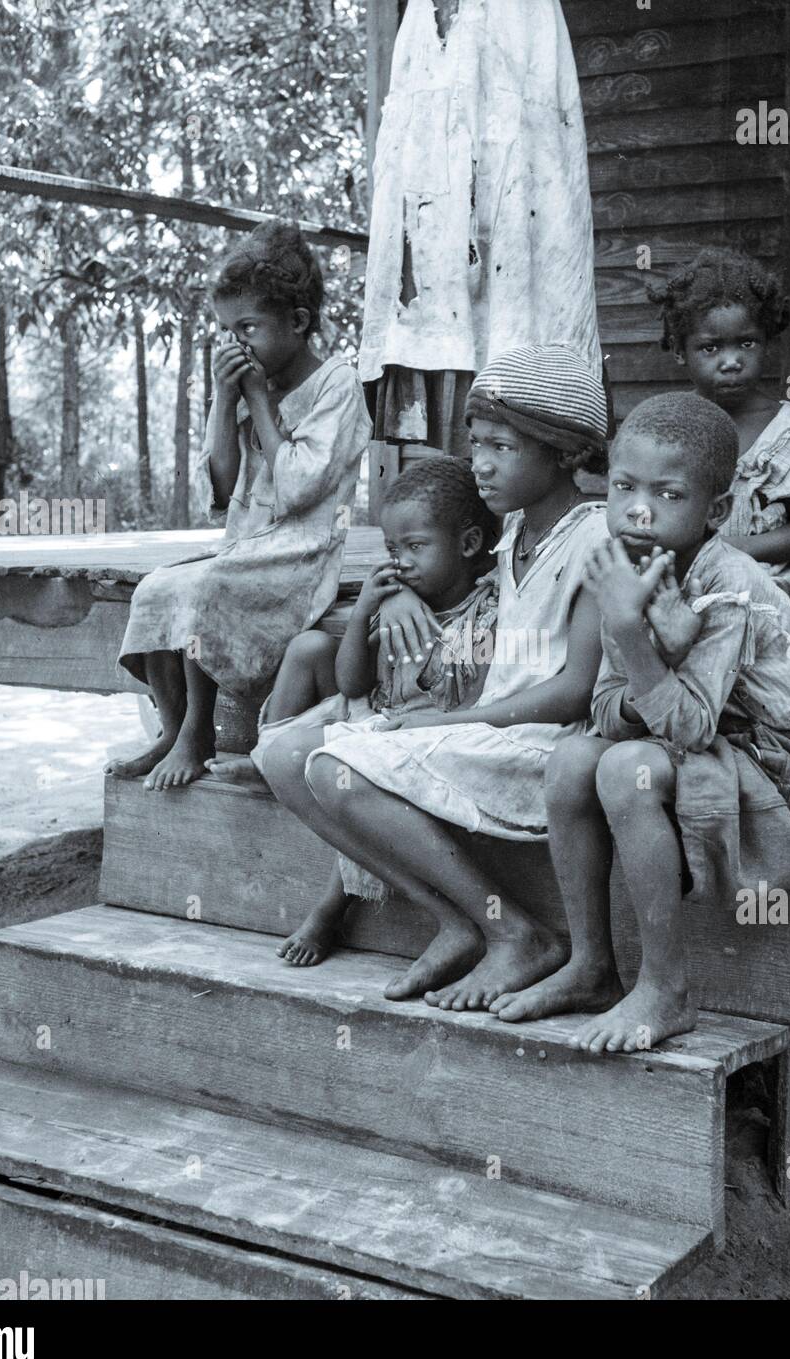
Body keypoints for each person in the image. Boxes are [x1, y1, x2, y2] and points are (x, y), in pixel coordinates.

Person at [257, 344, 610, 1005]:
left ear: (564, 451)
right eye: (476, 442)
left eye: (502, 446)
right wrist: (395, 591)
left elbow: (573, 692)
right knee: (286, 757)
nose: (480, 462)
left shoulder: (593, 538)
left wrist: (448, 719)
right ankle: (456, 921)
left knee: (337, 768)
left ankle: (514, 932)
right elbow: (438, 538)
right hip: (493, 734)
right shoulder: (510, 540)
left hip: (546, 746)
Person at [491, 392, 790, 1053]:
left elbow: (688, 727)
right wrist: (642, 660)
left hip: (784, 780)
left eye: (667, 494)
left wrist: (632, 635)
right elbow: (602, 706)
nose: (639, 508)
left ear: (714, 510)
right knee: (571, 758)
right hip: (711, 750)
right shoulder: (627, 566)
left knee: (629, 771)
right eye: (623, 487)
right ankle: (593, 966)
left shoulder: (729, 586)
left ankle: (667, 988)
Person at [106, 219, 371, 790]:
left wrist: (254, 396)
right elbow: (223, 489)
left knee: (205, 589)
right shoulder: (250, 381)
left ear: (298, 323)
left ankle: (198, 731)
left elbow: (299, 487)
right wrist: (227, 400)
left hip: (300, 556)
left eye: (247, 327)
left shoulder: (337, 386)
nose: (235, 343)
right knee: (156, 588)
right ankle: (172, 729)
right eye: (226, 330)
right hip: (245, 546)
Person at [207, 455, 499, 967]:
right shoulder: (399, 595)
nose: (400, 561)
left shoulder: (480, 613)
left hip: (417, 734)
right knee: (308, 648)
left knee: (348, 778)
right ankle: (266, 761)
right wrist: (370, 604)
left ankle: (330, 905)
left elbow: (448, 704)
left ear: (470, 544)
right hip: (374, 710)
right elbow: (350, 681)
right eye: (392, 549)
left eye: (415, 547)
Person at [649, 246, 790, 594]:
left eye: (747, 344)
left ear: (767, 343)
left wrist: (729, 552)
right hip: (680, 579)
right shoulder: (671, 424)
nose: (731, 361)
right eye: (710, 348)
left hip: (756, 585)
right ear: (680, 351)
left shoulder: (782, 433)